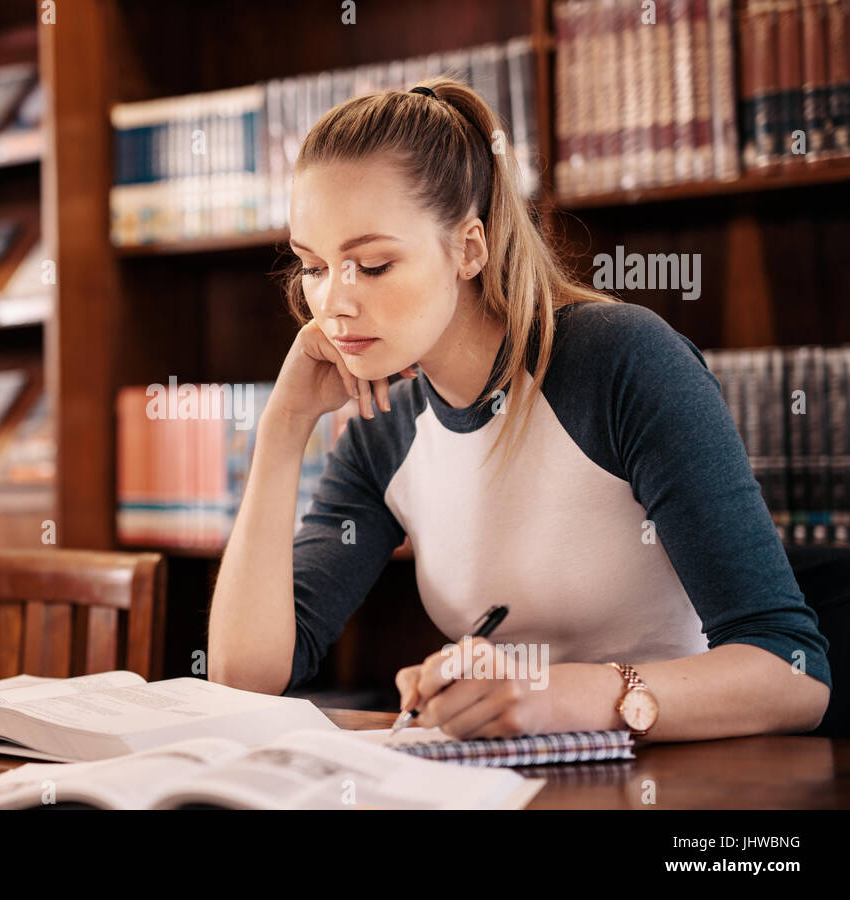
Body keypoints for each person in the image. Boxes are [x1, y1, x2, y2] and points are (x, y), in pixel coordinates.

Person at [206, 78, 831, 742]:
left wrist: (571, 697)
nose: (335, 302)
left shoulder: (622, 364)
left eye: (374, 264)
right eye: (313, 266)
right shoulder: (381, 423)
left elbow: (793, 673)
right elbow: (245, 675)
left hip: (685, 781)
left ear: (470, 248)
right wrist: (283, 427)